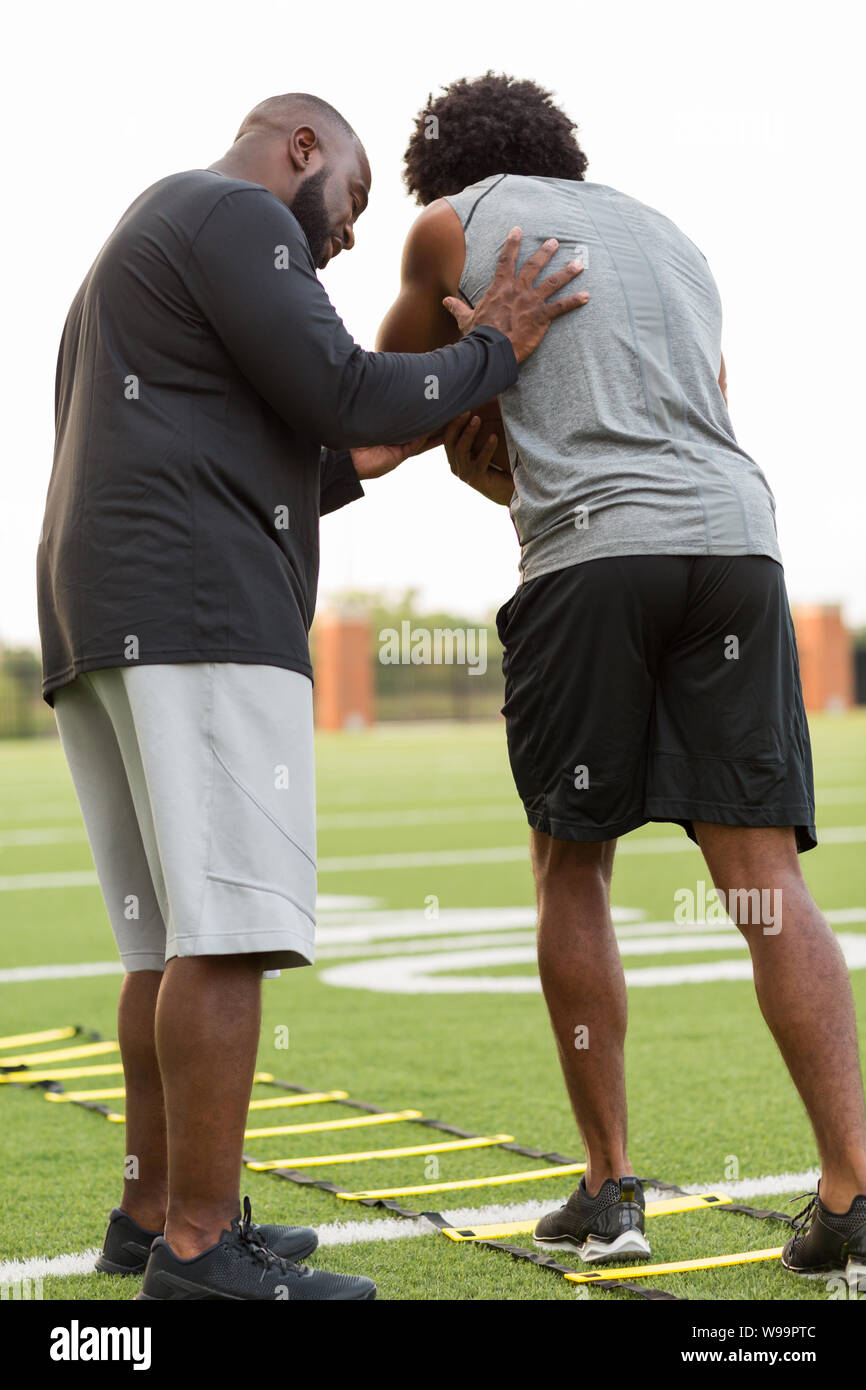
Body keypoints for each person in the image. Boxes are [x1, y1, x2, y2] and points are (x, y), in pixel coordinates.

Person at [36, 89, 588, 1301]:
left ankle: (150, 1214)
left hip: (103, 608)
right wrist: (490, 344)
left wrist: (414, 412)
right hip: (200, 604)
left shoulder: (147, 241)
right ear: (299, 147)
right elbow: (343, 388)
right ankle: (197, 1253)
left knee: (166, 940)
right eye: (345, 203)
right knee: (230, 934)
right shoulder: (236, 212)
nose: (341, 237)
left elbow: (327, 441)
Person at [376, 71, 866, 1278]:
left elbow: (372, 416)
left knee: (570, 863)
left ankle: (607, 1187)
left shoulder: (450, 222)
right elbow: (689, 419)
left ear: (439, 175)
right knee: (761, 880)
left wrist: (463, 421)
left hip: (596, 558)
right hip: (738, 547)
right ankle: (852, 1191)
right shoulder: (670, 239)